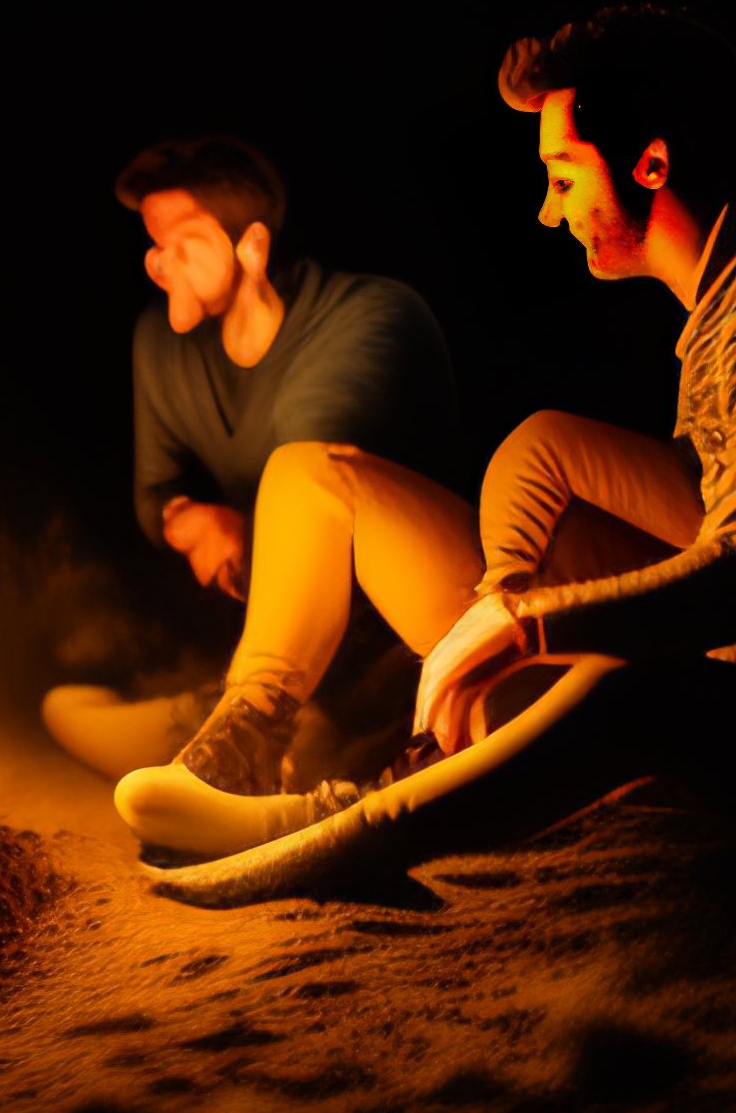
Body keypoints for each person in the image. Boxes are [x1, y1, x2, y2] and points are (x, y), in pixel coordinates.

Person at [119, 7, 736, 882]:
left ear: (650, 165)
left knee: (630, 693)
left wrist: (523, 627)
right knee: (383, 467)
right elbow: (708, 505)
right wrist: (505, 591)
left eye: (565, 175)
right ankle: (251, 757)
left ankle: (344, 832)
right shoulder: (734, 296)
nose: (547, 209)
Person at [43, 137, 457, 782]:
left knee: (314, 776)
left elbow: (310, 484)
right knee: (65, 712)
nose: (159, 263)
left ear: (252, 247)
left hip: (404, 648)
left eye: (184, 242)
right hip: (286, 650)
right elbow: (156, 492)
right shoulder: (162, 343)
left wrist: (247, 532)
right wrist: (192, 518)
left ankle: (275, 743)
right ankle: (232, 723)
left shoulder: (371, 320)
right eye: (153, 243)